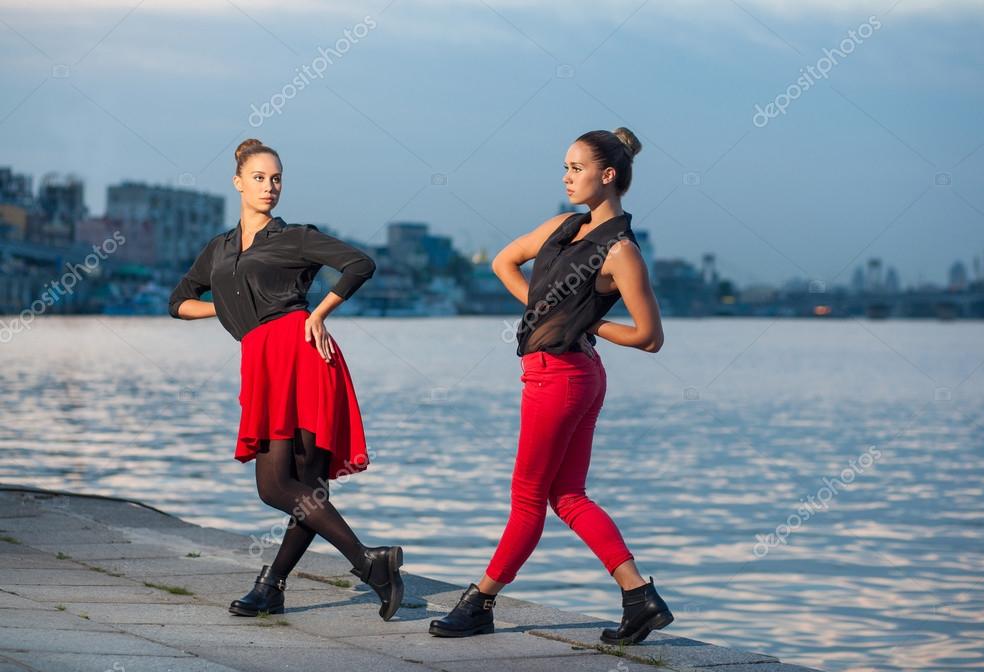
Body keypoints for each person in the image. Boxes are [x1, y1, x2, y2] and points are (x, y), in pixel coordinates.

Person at [429, 127, 673, 644]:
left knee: (527, 498)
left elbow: (650, 337)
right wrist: (549, 310)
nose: (567, 177)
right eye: (564, 167)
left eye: (577, 168)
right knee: (567, 494)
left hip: (564, 378)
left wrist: (585, 322)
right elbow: (503, 261)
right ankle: (639, 599)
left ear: (608, 176)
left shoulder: (621, 251)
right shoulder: (564, 226)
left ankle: (480, 602)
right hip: (558, 373)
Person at [167, 138, 403, 621]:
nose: (269, 187)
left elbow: (361, 264)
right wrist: (227, 308)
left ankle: (365, 563)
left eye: (276, 179)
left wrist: (319, 313)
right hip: (261, 361)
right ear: (238, 182)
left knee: (278, 486)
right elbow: (179, 302)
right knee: (305, 488)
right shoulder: (219, 249)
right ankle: (274, 586)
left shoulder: (295, 236)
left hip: (303, 355)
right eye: (259, 178)